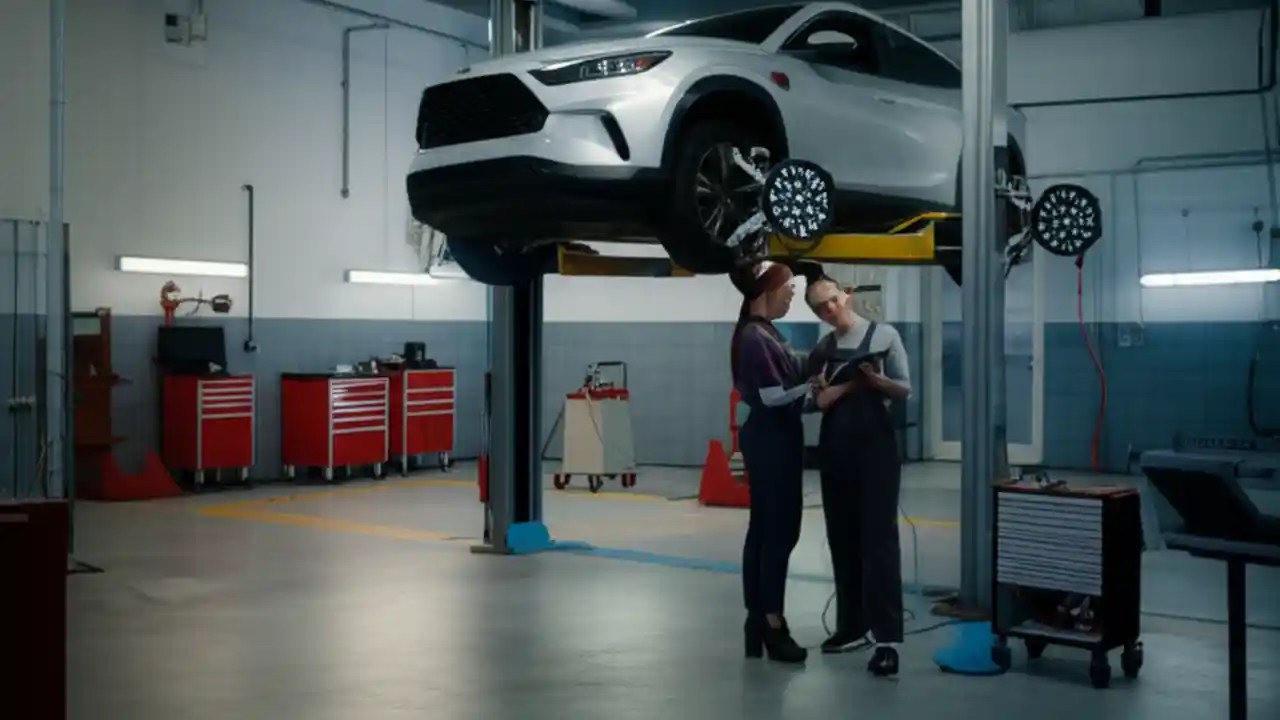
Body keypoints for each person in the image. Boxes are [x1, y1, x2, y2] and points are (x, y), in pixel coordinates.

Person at [803, 273, 912, 677]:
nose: (828, 310)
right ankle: (852, 625)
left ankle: (887, 640)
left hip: (876, 454)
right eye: (818, 307)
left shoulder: (884, 337)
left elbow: (905, 389)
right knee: (842, 539)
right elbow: (810, 400)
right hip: (835, 454)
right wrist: (821, 396)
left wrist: (877, 382)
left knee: (879, 544)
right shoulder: (823, 349)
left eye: (831, 300)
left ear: (845, 295)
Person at [729, 260, 831, 664]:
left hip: (775, 439)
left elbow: (792, 369)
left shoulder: (766, 333)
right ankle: (772, 623)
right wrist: (810, 389)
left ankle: (757, 619)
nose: (792, 295)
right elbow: (773, 396)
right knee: (778, 533)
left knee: (764, 531)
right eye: (788, 288)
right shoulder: (755, 337)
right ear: (765, 290)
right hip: (771, 441)